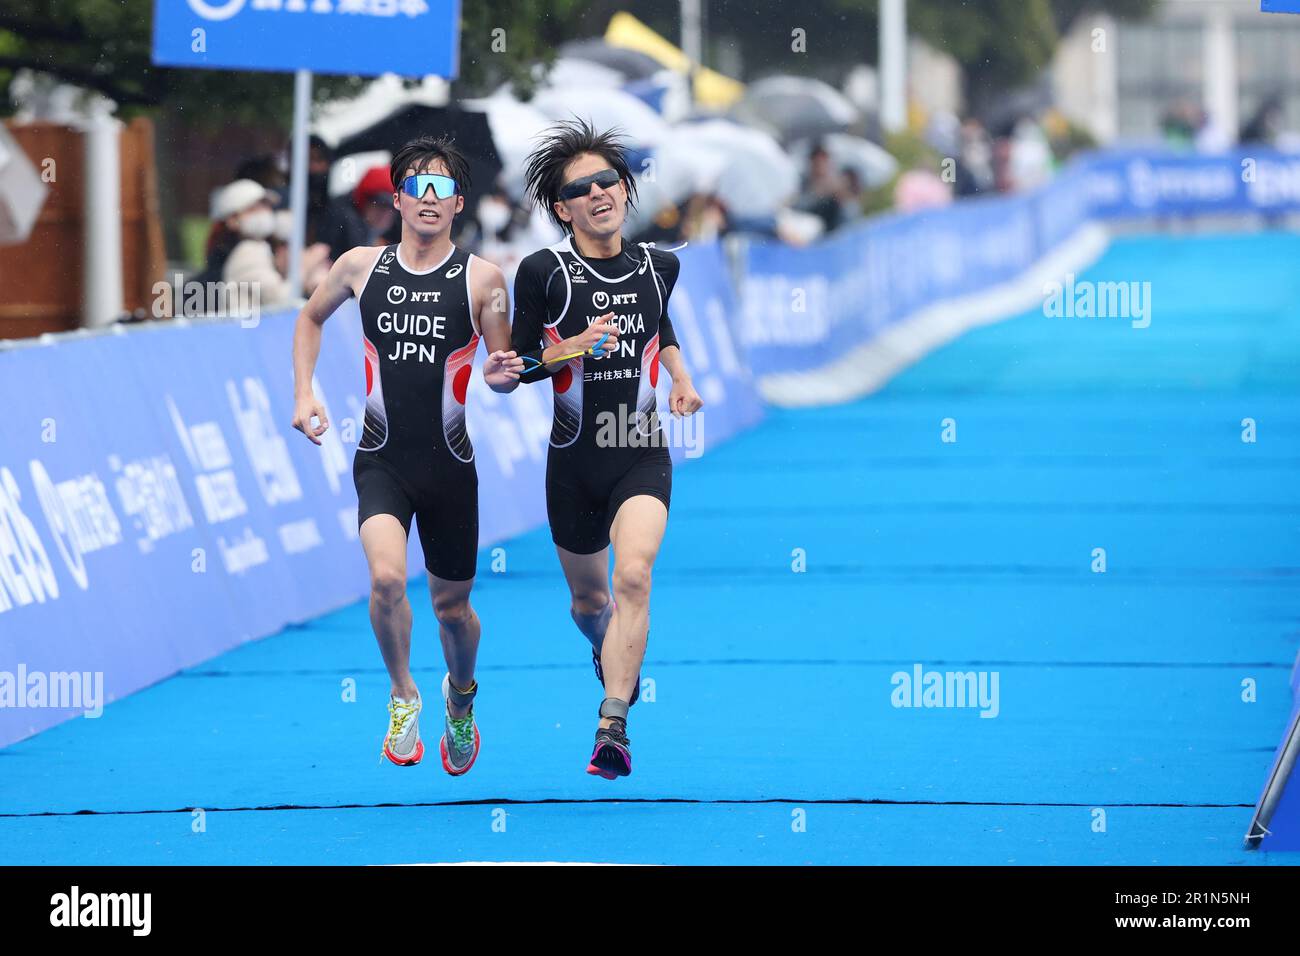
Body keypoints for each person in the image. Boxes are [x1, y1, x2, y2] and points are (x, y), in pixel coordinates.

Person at [291, 136, 520, 776]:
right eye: (415, 185)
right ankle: (401, 693)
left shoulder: (484, 279)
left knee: (453, 610)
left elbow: (502, 371)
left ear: (457, 204)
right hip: (381, 458)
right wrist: (304, 390)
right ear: (396, 199)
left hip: (451, 467)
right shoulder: (359, 266)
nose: (427, 197)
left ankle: (462, 698)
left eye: (441, 187)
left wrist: (505, 373)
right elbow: (309, 321)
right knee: (387, 579)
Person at [503, 119, 704, 779]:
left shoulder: (659, 265)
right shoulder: (542, 272)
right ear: (561, 209)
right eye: (580, 188)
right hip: (573, 462)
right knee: (592, 606)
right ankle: (606, 650)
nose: (598, 194)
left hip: (638, 448)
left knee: (634, 577)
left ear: (625, 188)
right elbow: (518, 365)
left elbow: (659, 323)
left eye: (607, 181)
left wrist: (680, 377)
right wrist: (573, 346)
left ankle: (612, 724)